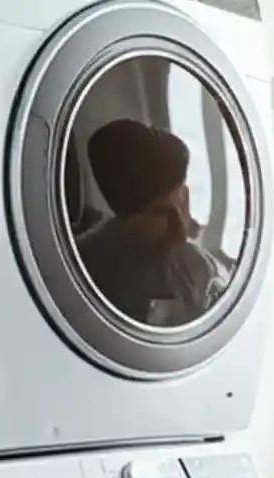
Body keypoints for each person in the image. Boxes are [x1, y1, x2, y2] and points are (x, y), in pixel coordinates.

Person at [77, 118, 227, 326]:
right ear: (125, 212)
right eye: (163, 214)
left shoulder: (200, 266)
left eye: (183, 202)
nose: (181, 232)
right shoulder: (80, 277)